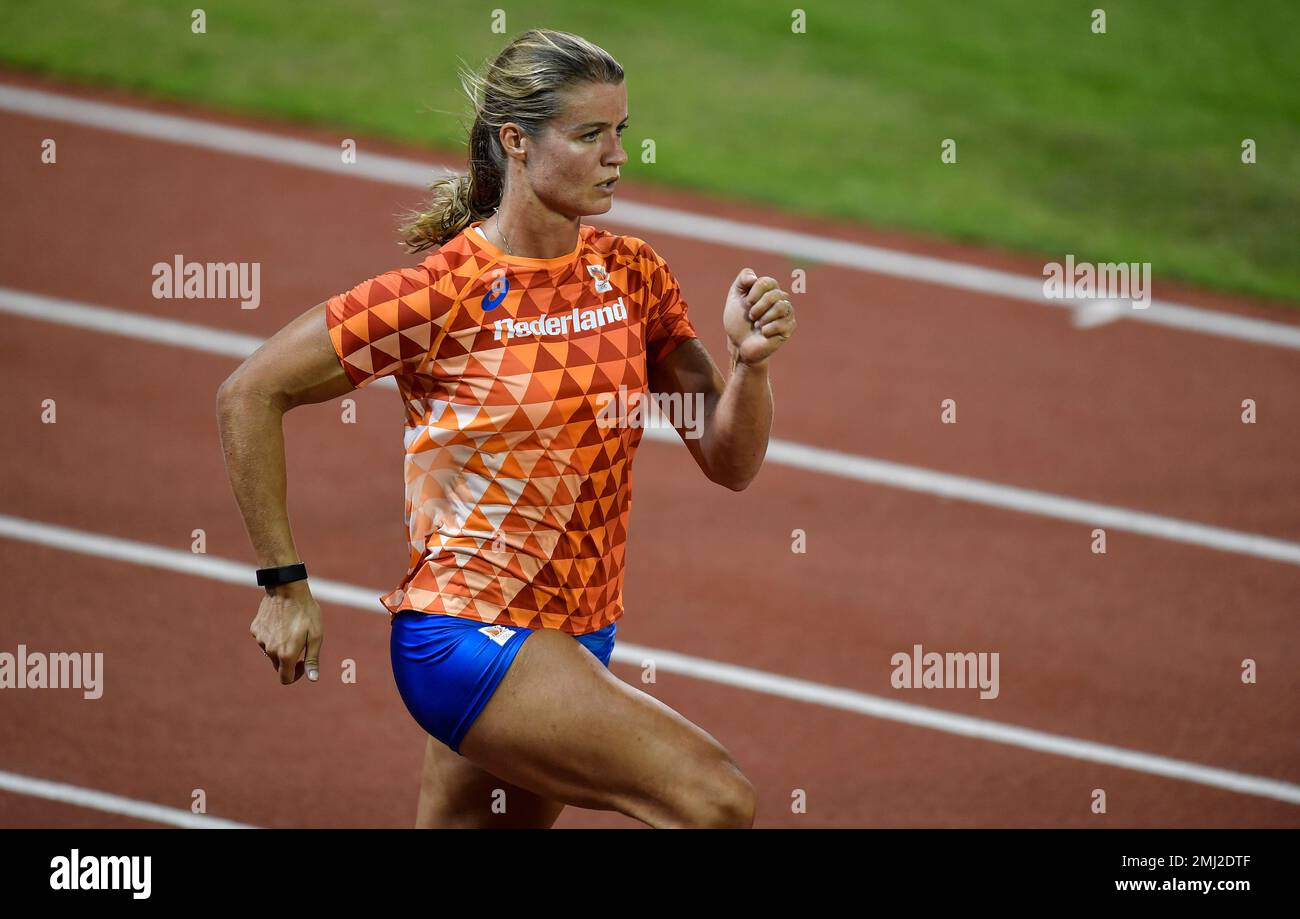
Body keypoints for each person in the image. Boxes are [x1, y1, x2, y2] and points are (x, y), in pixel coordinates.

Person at [215, 29, 796, 829]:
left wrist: (751, 363)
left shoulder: (633, 275)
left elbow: (729, 460)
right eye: (590, 135)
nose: (617, 155)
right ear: (516, 141)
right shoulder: (440, 292)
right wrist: (283, 586)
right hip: (468, 633)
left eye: (621, 131)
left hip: (578, 634)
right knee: (716, 799)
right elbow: (249, 392)